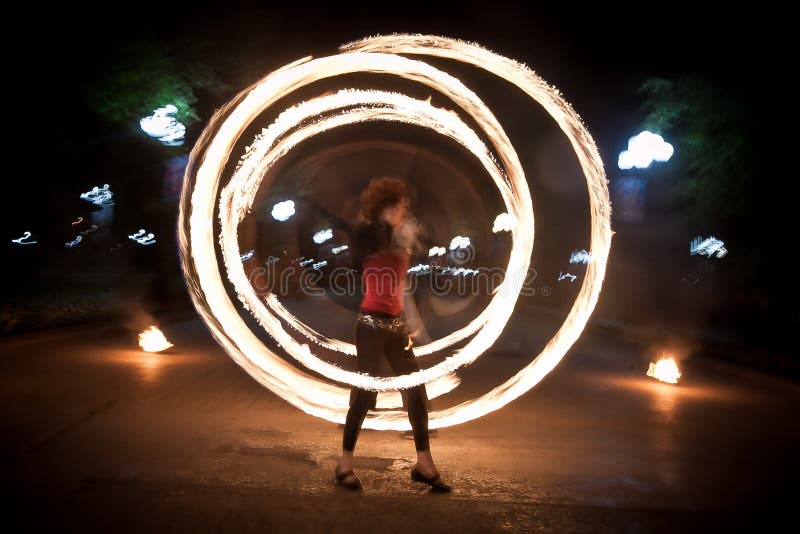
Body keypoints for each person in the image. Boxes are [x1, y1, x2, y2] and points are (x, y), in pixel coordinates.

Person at [335, 177, 451, 492]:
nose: (404, 210)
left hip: (396, 327)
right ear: (386, 206)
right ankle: (344, 463)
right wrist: (392, 229)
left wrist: (414, 323)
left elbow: (403, 284)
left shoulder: (399, 237)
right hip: (371, 326)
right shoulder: (368, 235)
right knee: (365, 395)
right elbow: (363, 249)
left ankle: (424, 464)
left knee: (416, 391)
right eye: (400, 205)